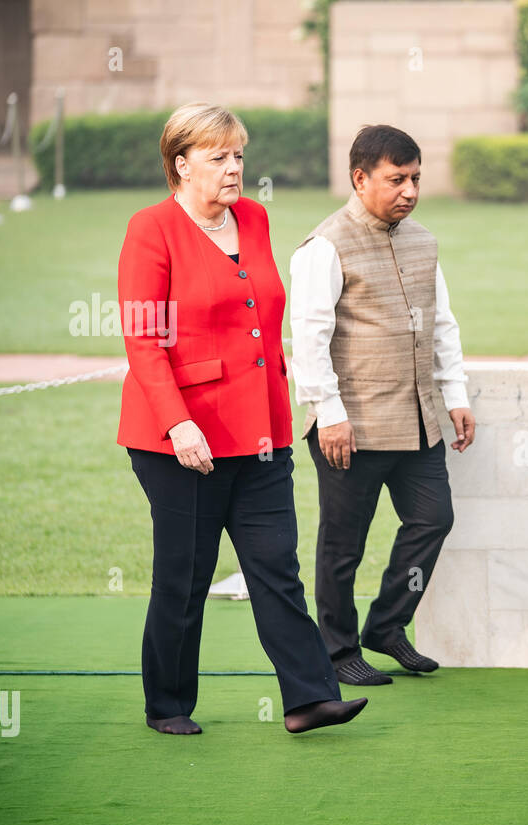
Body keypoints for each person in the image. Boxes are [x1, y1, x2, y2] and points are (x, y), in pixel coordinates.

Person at [117, 102, 367, 735]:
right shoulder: (151, 229)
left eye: (239, 156)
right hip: (180, 439)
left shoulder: (253, 218)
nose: (235, 170)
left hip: (260, 434)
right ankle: (167, 705)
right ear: (181, 164)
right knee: (186, 575)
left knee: (276, 567)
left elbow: (262, 314)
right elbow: (144, 341)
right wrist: (178, 424)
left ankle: (310, 698)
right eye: (218, 157)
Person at [289, 125, 474, 687]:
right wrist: (329, 413)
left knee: (433, 519)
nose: (409, 191)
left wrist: (456, 395)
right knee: (343, 542)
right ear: (359, 178)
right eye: (397, 179)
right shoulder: (324, 245)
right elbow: (309, 337)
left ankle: (387, 627)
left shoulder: (423, 240)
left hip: (419, 420)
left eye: (416, 178)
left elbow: (442, 322)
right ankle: (338, 647)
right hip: (351, 423)